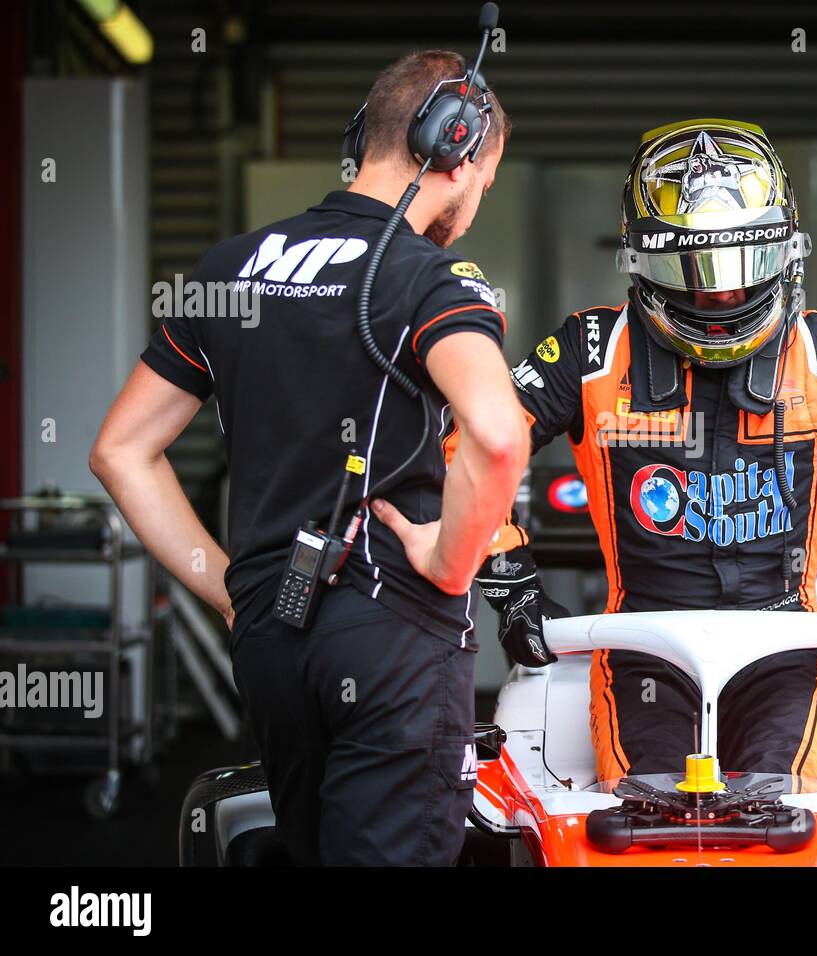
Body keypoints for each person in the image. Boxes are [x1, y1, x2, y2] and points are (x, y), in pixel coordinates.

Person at [89, 51, 530, 865]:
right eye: (485, 180)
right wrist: (449, 561)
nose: (473, 206)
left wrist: (226, 587)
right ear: (456, 148)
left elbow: (121, 450)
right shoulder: (431, 279)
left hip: (270, 640)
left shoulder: (228, 269)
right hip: (393, 638)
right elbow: (500, 435)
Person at [464, 119, 817, 791]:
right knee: (646, 815)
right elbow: (468, 442)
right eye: (691, 270)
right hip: (641, 653)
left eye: (742, 265)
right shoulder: (592, 349)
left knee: (789, 814)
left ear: (784, 251)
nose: (720, 294)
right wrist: (511, 587)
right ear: (643, 261)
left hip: (788, 651)